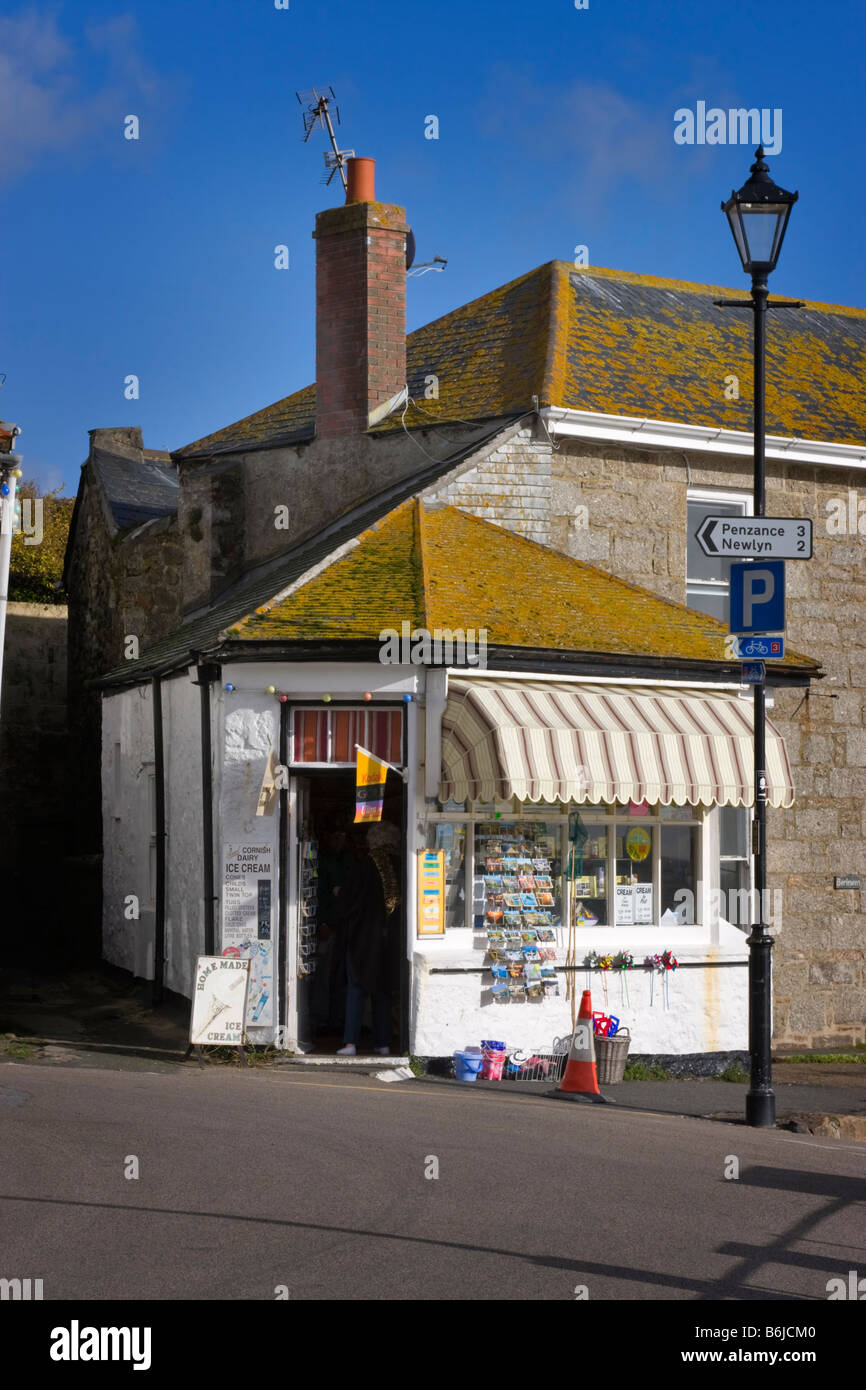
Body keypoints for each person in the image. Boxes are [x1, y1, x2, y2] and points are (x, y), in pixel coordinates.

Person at [337, 820, 401, 1056]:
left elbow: (348, 902)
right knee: (382, 991)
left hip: (363, 938)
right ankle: (383, 1043)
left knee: (356, 989)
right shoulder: (401, 865)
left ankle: (350, 1043)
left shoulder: (364, 866)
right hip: (391, 940)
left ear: (373, 840)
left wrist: (338, 894)